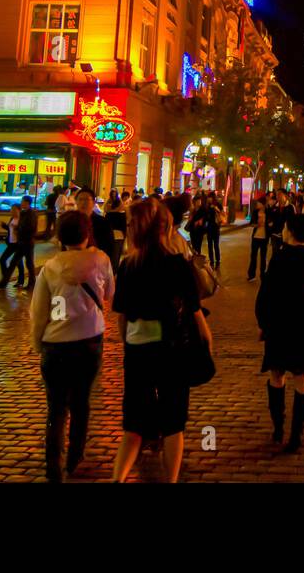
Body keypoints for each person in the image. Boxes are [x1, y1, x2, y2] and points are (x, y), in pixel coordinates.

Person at [111, 198, 208, 483]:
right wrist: (205, 342)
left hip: (138, 351)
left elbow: (121, 315)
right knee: (173, 426)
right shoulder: (176, 264)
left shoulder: (129, 265)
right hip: (172, 351)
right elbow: (195, 310)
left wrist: (126, 345)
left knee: (134, 427)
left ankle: (117, 479)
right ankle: (171, 479)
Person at [31, 210, 115, 482]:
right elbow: (111, 294)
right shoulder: (100, 260)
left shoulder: (50, 268)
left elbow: (39, 312)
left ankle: (52, 464)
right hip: (90, 339)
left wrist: (38, 343)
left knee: (56, 407)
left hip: (55, 343)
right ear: (86, 233)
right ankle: (75, 455)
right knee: (81, 402)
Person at [256, 213, 304, 453]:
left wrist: (263, 324)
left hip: (279, 325)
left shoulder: (279, 257)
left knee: (277, 376)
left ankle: (278, 428)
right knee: (302, 378)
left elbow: (265, 294)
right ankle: (296, 434)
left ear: (291, 232)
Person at [76, 188, 117, 273]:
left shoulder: (103, 222)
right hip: (75, 265)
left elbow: (110, 247)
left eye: (87, 199)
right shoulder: (71, 221)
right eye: (80, 199)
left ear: (94, 202)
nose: (83, 202)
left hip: (96, 267)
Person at [248, 196, 270, 281]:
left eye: (259, 203)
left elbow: (271, 223)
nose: (257, 204)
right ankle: (251, 275)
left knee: (263, 257)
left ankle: (262, 274)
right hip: (256, 237)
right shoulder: (255, 212)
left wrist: (268, 224)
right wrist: (257, 224)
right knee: (253, 256)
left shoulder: (268, 212)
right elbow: (251, 224)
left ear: (263, 204)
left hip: (264, 238)